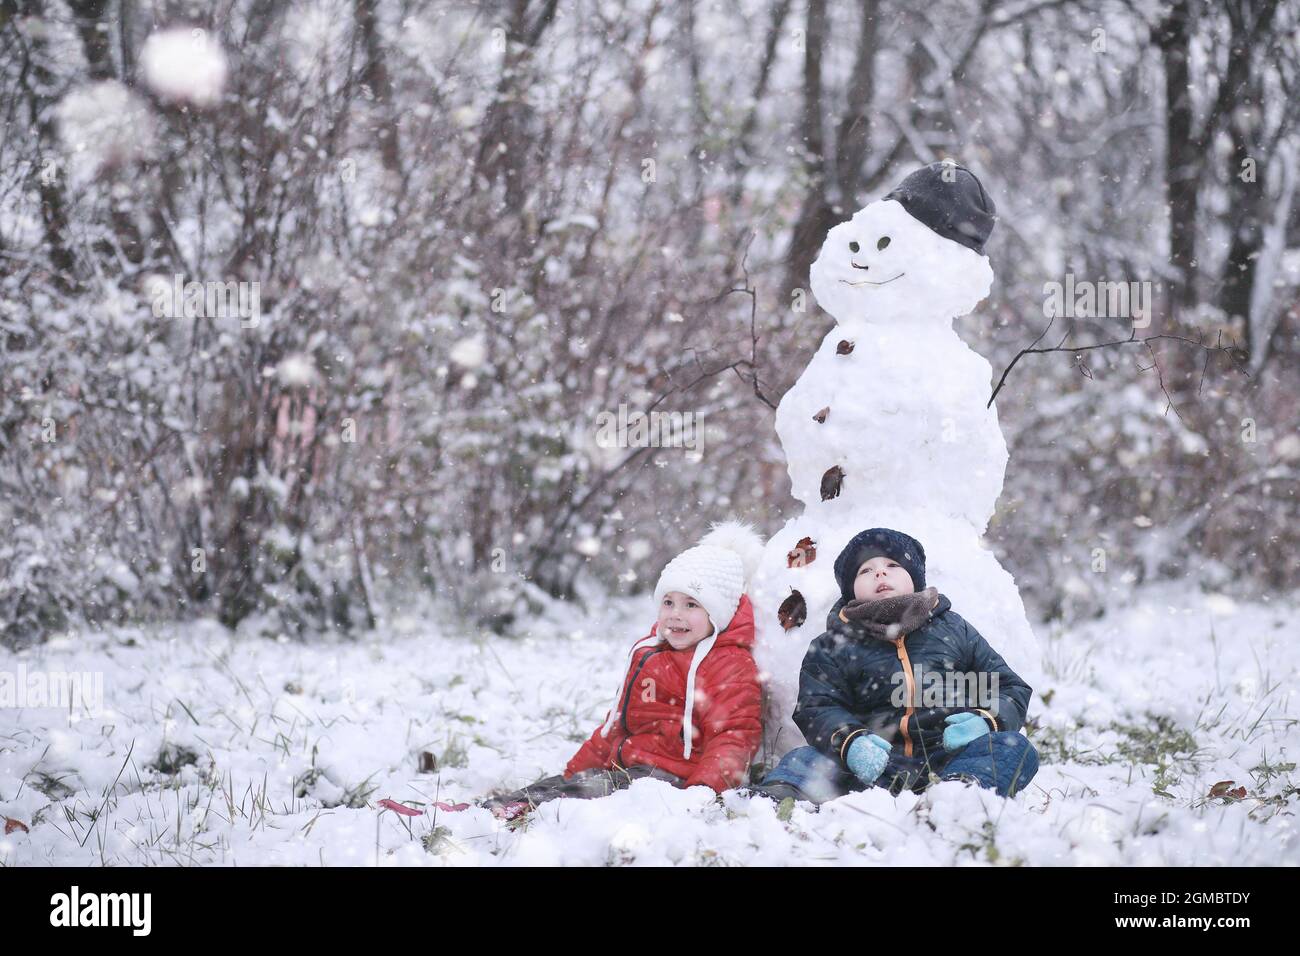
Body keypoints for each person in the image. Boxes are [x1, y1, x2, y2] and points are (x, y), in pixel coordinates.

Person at [474, 521, 766, 819]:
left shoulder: (729, 664)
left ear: (717, 613)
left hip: (672, 782)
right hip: (628, 769)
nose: (676, 615)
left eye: (691, 604)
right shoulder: (648, 654)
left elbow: (734, 736)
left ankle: (515, 812)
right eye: (668, 602)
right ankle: (485, 812)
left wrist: (702, 793)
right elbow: (617, 725)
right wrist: (575, 772)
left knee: (569, 800)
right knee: (560, 788)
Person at [749, 527, 1038, 804]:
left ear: (915, 578)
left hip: (949, 759)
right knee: (805, 759)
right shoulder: (833, 644)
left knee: (1014, 749)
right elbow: (817, 706)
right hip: (872, 767)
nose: (879, 572)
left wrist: (984, 721)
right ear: (851, 590)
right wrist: (851, 742)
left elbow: (1008, 686)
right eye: (865, 570)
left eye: (892, 564)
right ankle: (781, 795)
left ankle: (959, 795)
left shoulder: (953, 629)